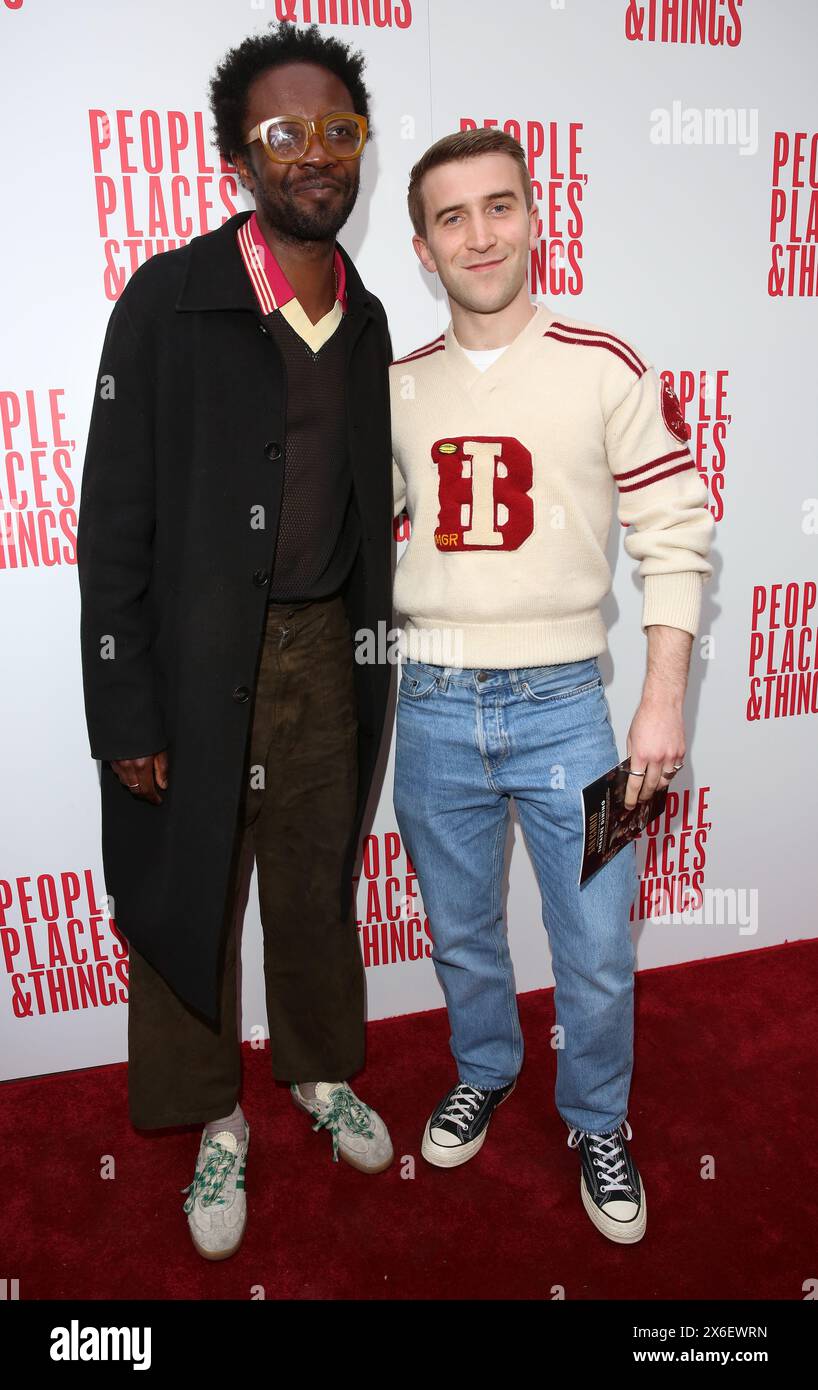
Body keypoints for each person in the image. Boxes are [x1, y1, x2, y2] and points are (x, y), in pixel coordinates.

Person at [77, 22, 395, 1262]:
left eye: (336, 131)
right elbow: (113, 523)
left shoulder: (368, 319)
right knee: (183, 897)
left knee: (316, 889)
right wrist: (128, 712)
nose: (312, 154)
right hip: (194, 661)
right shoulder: (167, 299)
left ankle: (317, 1073)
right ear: (234, 158)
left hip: (329, 661)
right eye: (282, 133)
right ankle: (215, 1114)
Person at [389, 127, 715, 1244]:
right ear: (422, 248)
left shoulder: (601, 364)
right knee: (460, 932)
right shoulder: (391, 390)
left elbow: (674, 533)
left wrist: (661, 698)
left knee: (595, 946)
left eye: (497, 206)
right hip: (430, 709)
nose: (478, 234)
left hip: (571, 713)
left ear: (535, 216)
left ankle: (597, 1118)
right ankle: (484, 1067)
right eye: (449, 217)